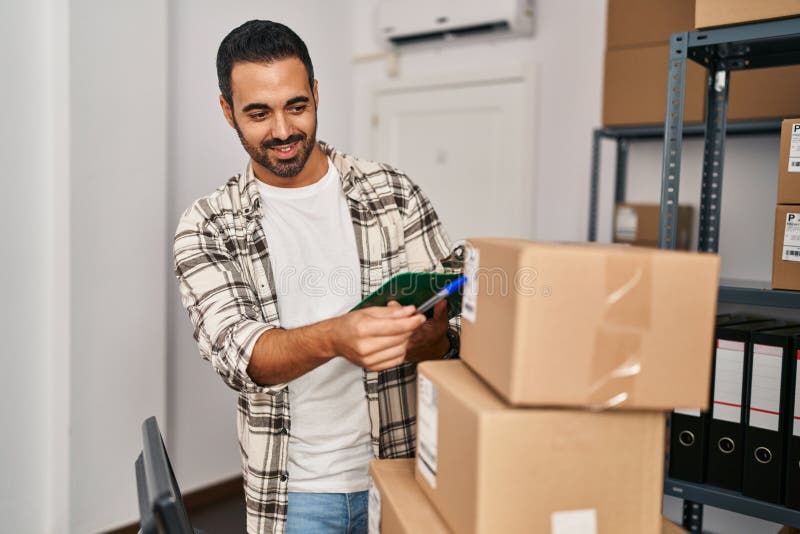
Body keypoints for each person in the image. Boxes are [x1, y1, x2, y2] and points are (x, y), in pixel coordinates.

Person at [173, 19, 460, 534]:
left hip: (399, 475)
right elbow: (242, 357)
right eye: (258, 113)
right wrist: (337, 336)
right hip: (296, 495)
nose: (282, 131)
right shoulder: (209, 224)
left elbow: (457, 327)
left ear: (316, 94)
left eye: (297, 106)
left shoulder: (392, 193)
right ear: (227, 112)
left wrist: (433, 342)